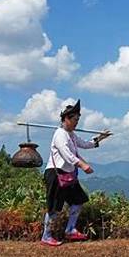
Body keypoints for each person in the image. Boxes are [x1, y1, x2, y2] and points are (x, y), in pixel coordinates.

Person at [41, 100, 111, 246]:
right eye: (74, 120)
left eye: (78, 120)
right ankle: (46, 236)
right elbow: (67, 155)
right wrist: (83, 165)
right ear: (66, 119)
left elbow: (85, 144)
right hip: (56, 174)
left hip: (68, 175)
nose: (76, 123)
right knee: (54, 207)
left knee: (78, 200)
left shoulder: (71, 135)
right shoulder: (60, 134)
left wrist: (100, 137)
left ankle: (70, 229)